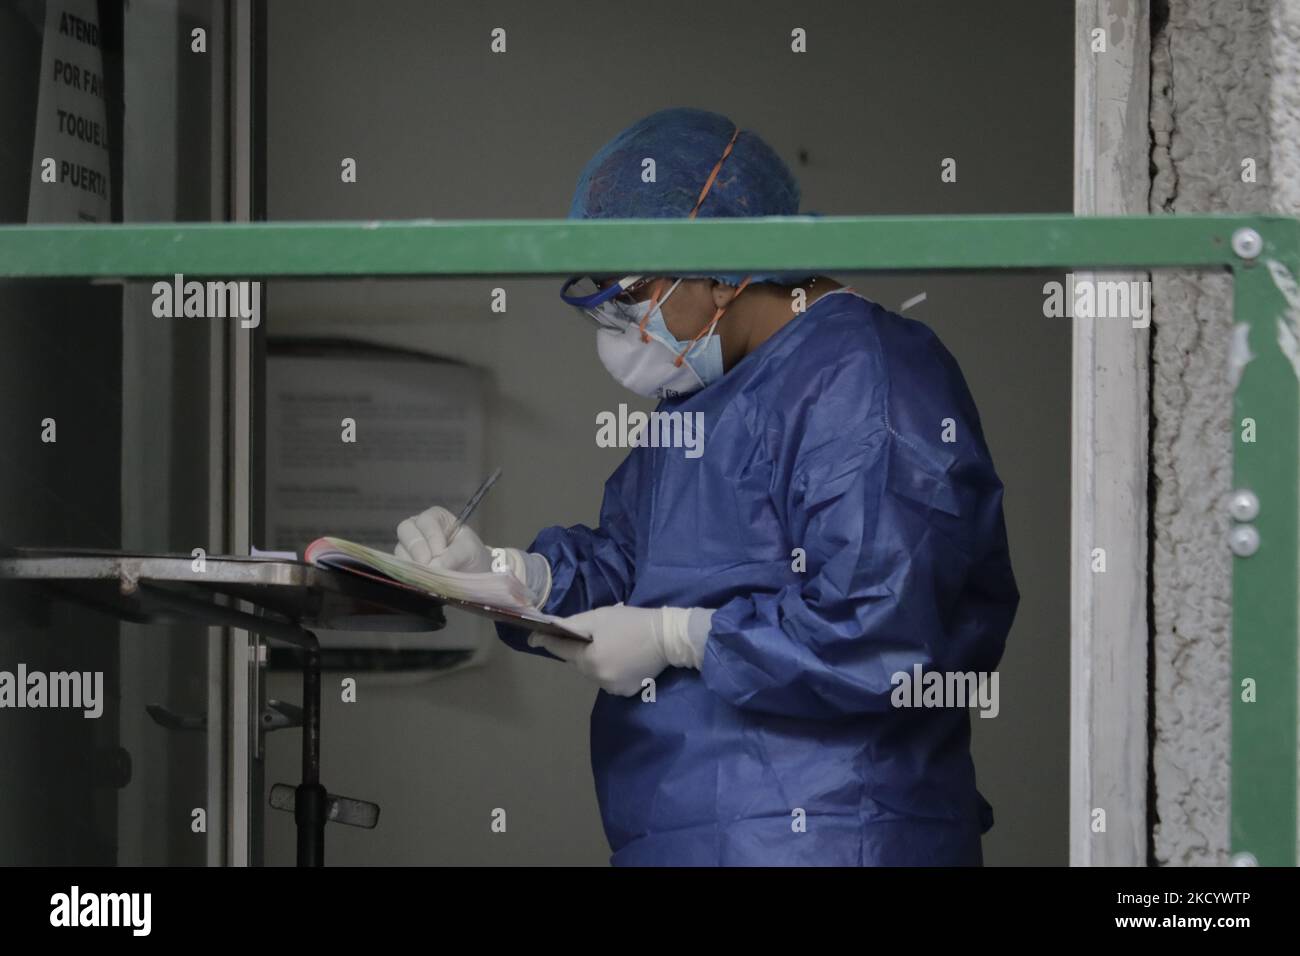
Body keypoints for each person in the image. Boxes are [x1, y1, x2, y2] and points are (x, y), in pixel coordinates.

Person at [395, 107, 1019, 866]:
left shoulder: (868, 377)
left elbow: (884, 630)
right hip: (680, 835)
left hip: (833, 833)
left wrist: (678, 637)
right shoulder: (699, 400)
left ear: (723, 266)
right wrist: (509, 577)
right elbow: (633, 562)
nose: (619, 322)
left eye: (633, 291)